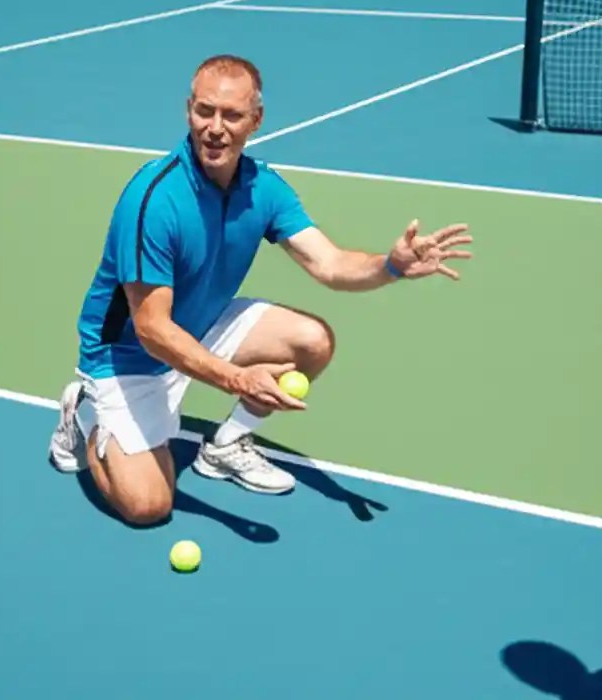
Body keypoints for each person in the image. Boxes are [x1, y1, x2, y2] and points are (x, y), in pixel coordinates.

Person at [47, 54, 473, 525]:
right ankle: (85, 415)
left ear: (256, 120)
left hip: (201, 325)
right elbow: (151, 330)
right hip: (126, 360)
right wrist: (237, 378)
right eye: (204, 111)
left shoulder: (261, 187)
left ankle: (226, 445)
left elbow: (329, 264)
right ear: (187, 109)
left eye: (231, 115)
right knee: (149, 507)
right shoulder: (154, 198)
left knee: (313, 341)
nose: (215, 127)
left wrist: (390, 266)